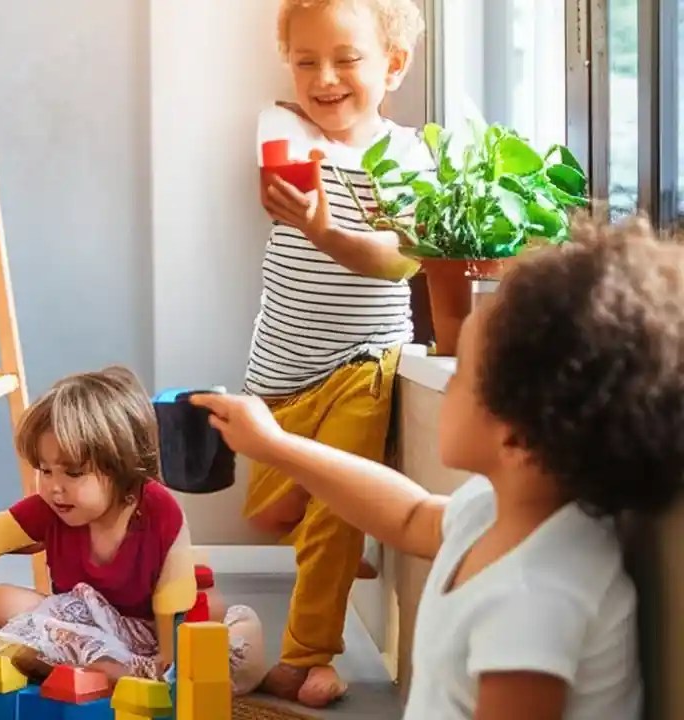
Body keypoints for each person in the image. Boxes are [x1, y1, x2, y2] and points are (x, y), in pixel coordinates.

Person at [195, 217, 684, 719]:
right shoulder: (504, 512)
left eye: (462, 378)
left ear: (515, 437)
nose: (448, 388)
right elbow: (408, 515)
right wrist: (276, 446)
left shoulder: (535, 600)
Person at [243, 0, 431, 705]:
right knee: (269, 508)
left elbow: (401, 262)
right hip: (279, 368)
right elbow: (279, 177)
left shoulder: (410, 156)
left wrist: (329, 234)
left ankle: (306, 656)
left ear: (395, 65)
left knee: (331, 503)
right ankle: (352, 540)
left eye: (347, 59)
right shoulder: (282, 123)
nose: (324, 78)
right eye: (305, 60)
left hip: (366, 361)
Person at [0, 367, 267, 692]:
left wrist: (169, 659)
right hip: (89, 634)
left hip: (159, 635)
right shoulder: (50, 508)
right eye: (45, 470)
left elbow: (173, 598)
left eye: (72, 473)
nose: (54, 487)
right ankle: (104, 672)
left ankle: (126, 674)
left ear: (121, 468)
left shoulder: (158, 509)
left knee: (239, 635)